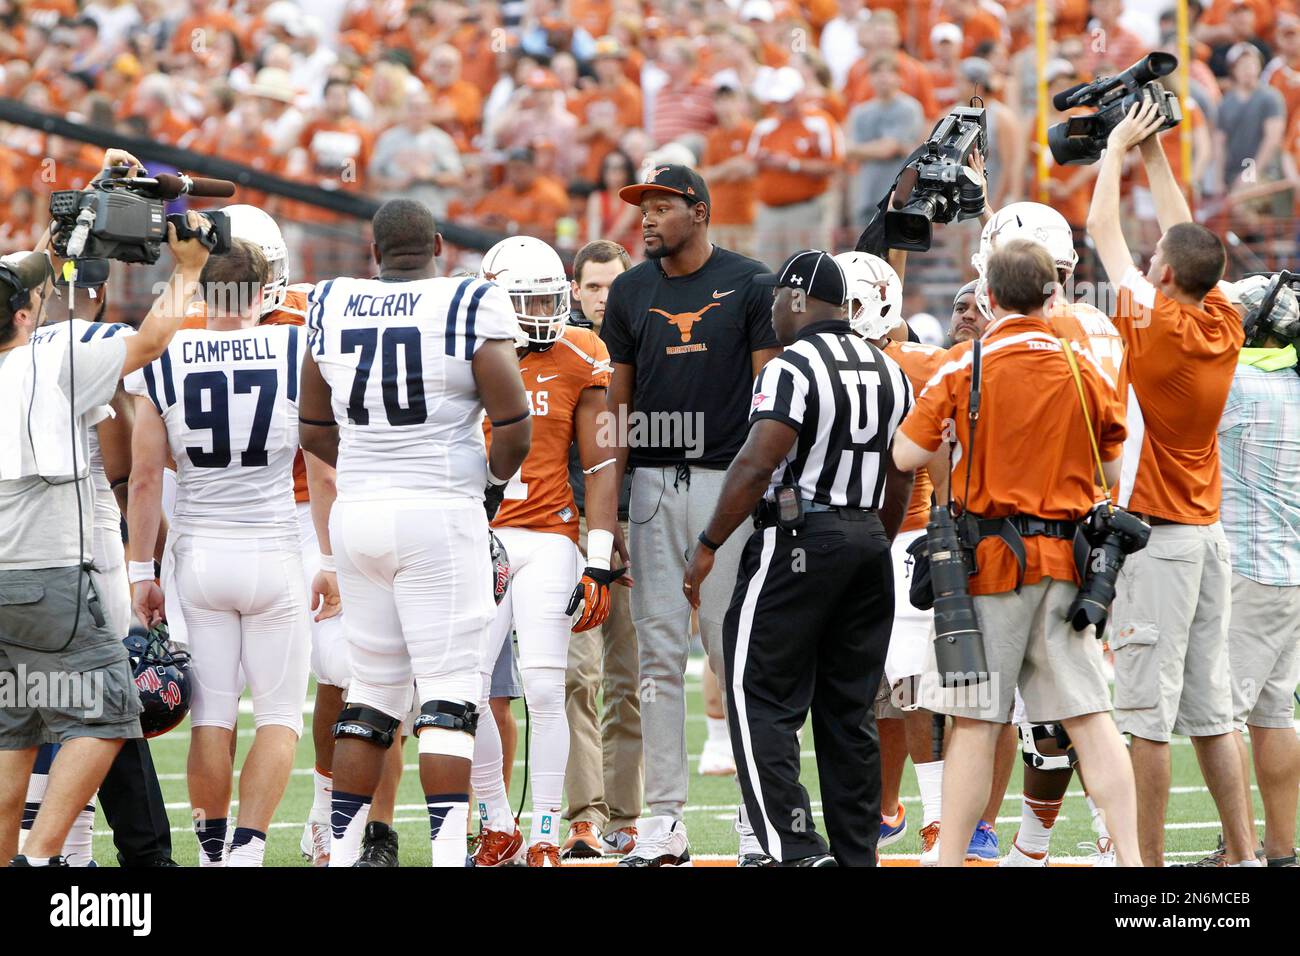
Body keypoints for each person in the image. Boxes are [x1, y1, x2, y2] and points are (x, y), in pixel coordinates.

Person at [296, 199, 531, 868]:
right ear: (435, 243)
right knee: (450, 693)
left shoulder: (333, 302)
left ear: (374, 252)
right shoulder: (468, 303)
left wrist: (374, 466)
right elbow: (514, 422)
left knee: (369, 695)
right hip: (438, 510)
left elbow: (313, 430)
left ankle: (342, 852)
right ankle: (450, 855)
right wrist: (487, 487)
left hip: (359, 515)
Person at [893, 239, 1142, 868]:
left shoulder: (961, 366)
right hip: (1067, 567)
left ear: (990, 296)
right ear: (1053, 292)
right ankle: (1134, 861)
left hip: (989, 569)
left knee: (976, 722)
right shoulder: (1084, 363)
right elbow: (1112, 462)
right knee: (1090, 720)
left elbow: (905, 456)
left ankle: (951, 860)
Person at [0, 148, 207, 867]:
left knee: (19, 726)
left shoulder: (34, 340)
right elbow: (152, 344)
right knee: (110, 707)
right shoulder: (62, 352)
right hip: (60, 559)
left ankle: (36, 856)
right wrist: (186, 271)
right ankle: (68, 854)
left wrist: (80, 210)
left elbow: (23, 277)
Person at [684, 249, 914, 866]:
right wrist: (871, 540)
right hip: (868, 540)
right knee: (849, 712)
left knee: (757, 695)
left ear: (794, 299)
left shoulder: (792, 366)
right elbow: (902, 477)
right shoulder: (890, 369)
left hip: (798, 541)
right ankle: (855, 854)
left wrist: (707, 546)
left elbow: (759, 461)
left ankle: (795, 848)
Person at [1087, 100, 1256, 868]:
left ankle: (1145, 873)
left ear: (1164, 276)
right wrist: (1156, 154)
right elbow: (1189, 240)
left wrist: (1117, 147)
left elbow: (1100, 235)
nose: (1148, 257)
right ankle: (1245, 856)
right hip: (1207, 532)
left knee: (1146, 721)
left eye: (1157, 258)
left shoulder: (1156, 329)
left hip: (1158, 538)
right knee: (1214, 714)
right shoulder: (1222, 316)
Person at [600, 164, 780, 865]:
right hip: (648, 489)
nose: (646, 219)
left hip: (726, 485)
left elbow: (771, 398)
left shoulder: (752, 282)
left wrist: (762, 494)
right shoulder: (629, 289)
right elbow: (617, 408)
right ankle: (664, 820)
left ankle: (752, 819)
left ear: (699, 211)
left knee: (736, 658)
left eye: (662, 206)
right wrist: (607, 513)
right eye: (642, 207)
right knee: (659, 659)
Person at [124, 238, 321, 868]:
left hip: (199, 557)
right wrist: (336, 561)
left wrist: (139, 572)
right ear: (264, 293)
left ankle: (211, 856)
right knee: (280, 717)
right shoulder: (295, 348)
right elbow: (320, 465)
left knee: (212, 717)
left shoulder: (165, 355)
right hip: (274, 548)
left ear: (203, 292)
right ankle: (248, 853)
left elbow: (147, 478)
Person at [468, 235, 624, 868]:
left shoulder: (582, 351)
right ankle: (496, 820)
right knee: (467, 688)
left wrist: (599, 557)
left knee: (544, 685)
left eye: (549, 297)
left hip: (550, 537)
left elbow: (605, 458)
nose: (544, 311)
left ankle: (545, 832)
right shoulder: (464, 352)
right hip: (480, 535)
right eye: (527, 299)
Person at [834, 251, 950, 864]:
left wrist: (948, 523)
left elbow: (941, 451)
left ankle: (937, 817)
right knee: (861, 685)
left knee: (911, 678)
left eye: (847, 303)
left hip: (904, 536)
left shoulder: (920, 362)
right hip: (840, 534)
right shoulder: (814, 360)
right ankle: (882, 810)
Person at [560, 239, 643, 860]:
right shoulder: (556, 350)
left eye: (615, 286)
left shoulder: (647, 349)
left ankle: (628, 815)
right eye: (593, 287)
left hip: (639, 525)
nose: (604, 298)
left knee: (630, 680)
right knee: (576, 676)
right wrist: (593, 527)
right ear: (574, 291)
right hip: (566, 531)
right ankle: (585, 816)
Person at [1215, 274, 1300, 868]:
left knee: (1226, 718)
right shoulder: (1292, 383)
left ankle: (1239, 852)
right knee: (1274, 715)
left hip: (1246, 570)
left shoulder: (1234, 384)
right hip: (1290, 572)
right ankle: (1279, 848)